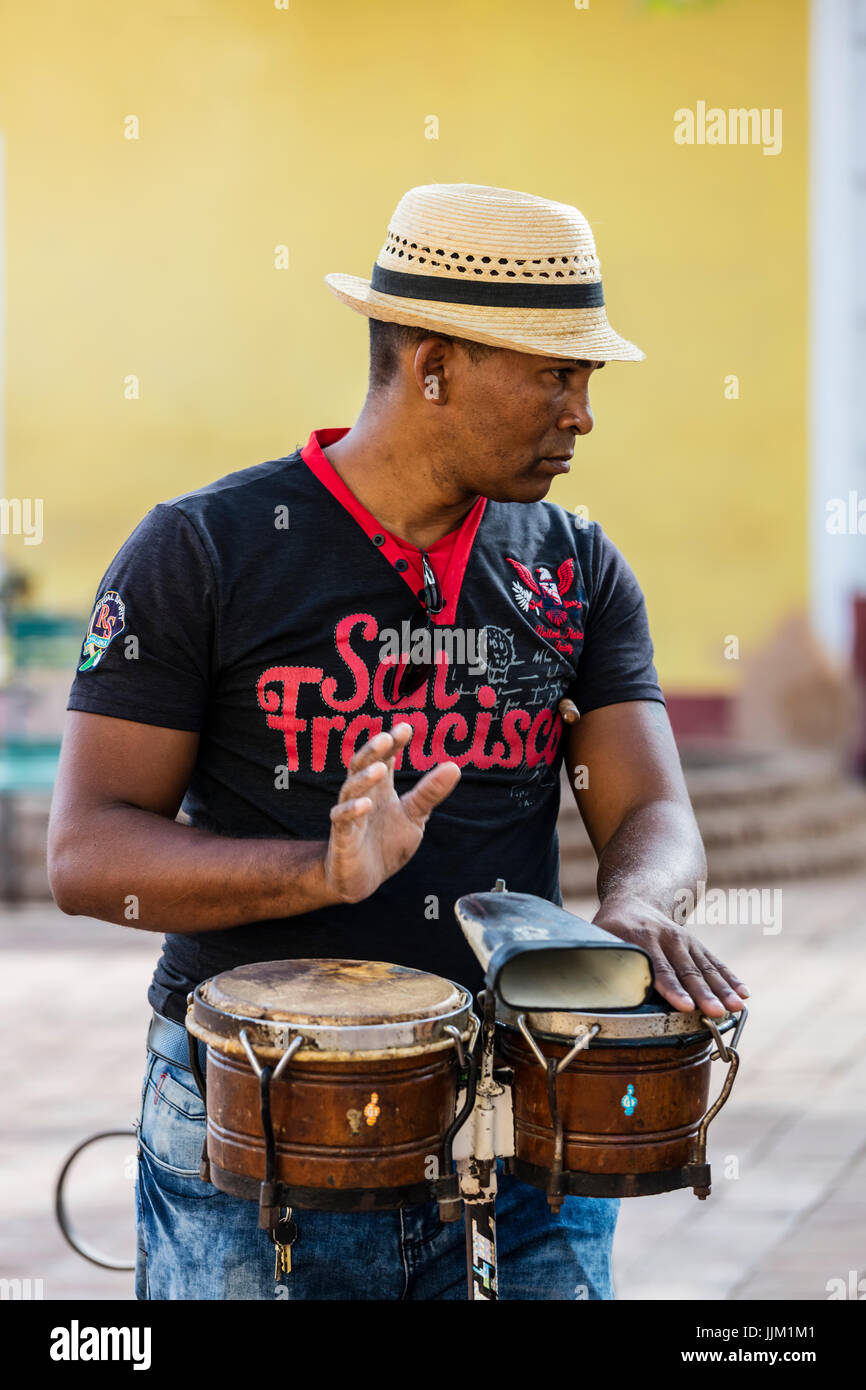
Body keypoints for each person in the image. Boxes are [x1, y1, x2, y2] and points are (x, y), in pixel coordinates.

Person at [48, 182, 748, 1301]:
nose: (581, 414)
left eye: (586, 381)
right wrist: (316, 870)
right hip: (262, 1122)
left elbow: (652, 810)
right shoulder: (202, 550)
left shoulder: (574, 565)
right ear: (433, 366)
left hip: (524, 1122)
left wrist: (639, 902)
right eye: (555, 376)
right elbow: (85, 857)